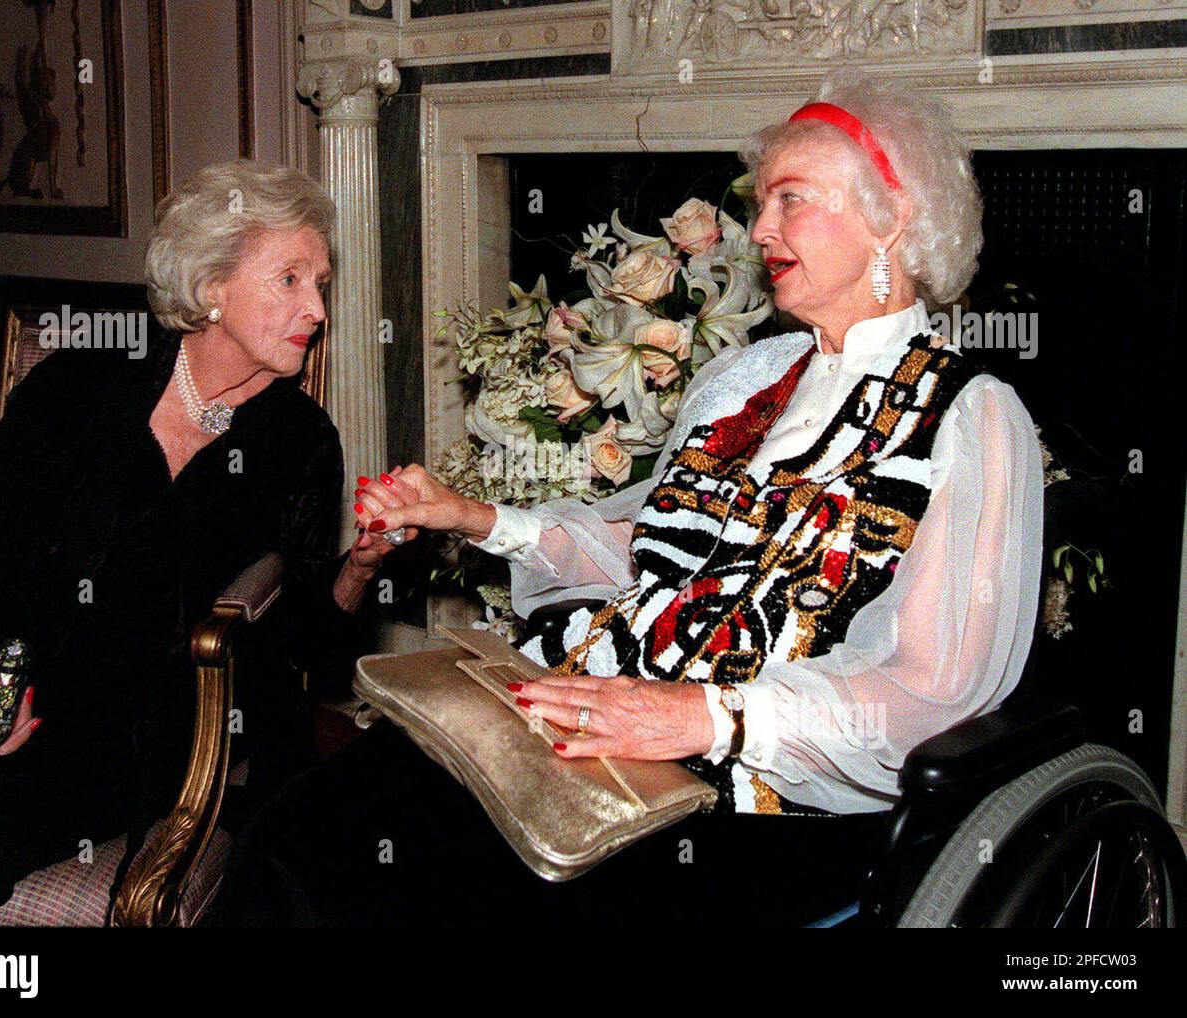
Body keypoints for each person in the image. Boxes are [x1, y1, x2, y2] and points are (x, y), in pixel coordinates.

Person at [214, 74, 1044, 927]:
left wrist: (708, 715)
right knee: (312, 824)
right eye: (762, 202)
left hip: (753, 805)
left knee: (421, 876)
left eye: (791, 199)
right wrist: (477, 517)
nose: (760, 228)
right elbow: (651, 550)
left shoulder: (971, 417)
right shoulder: (750, 379)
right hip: (597, 713)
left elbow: (935, 691)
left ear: (892, 216)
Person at [0, 160, 394, 926]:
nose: (316, 307)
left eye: (320, 282)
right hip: (10, 677)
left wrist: (360, 567)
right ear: (212, 285)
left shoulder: (298, 441)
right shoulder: (78, 387)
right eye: (289, 279)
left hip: (148, 729)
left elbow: (305, 645)